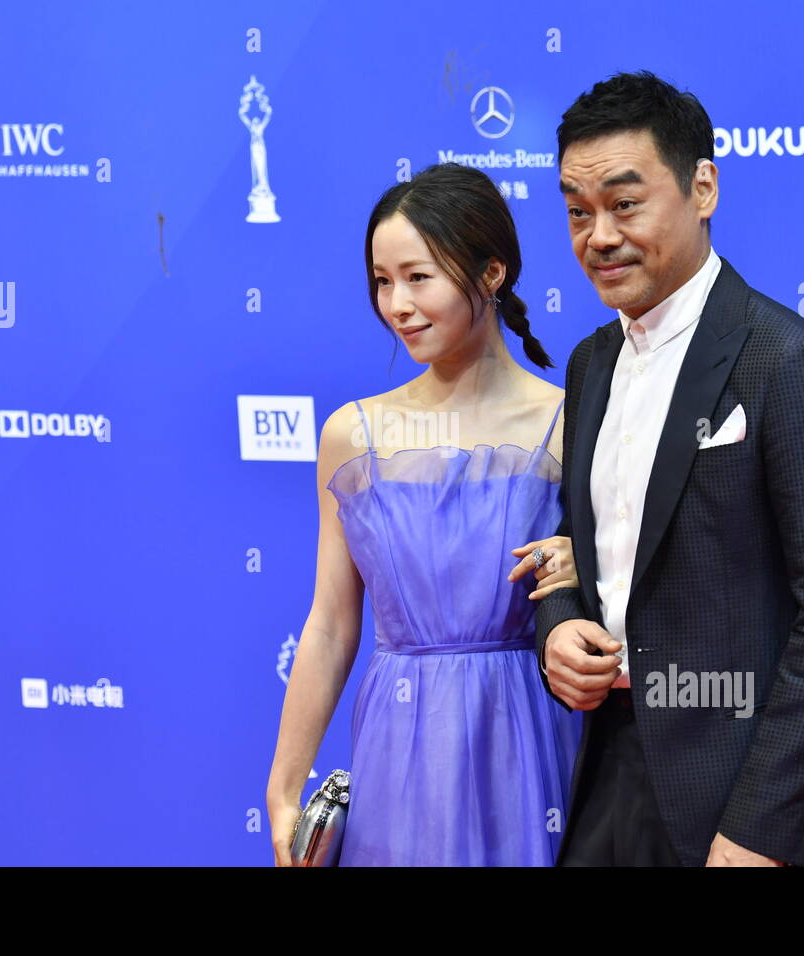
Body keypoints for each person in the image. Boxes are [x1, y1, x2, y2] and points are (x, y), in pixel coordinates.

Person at [536, 70, 804, 867]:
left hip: (753, 802)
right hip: (610, 777)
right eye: (577, 211)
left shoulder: (790, 363)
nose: (599, 235)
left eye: (626, 203)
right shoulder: (591, 364)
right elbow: (577, 544)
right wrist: (558, 624)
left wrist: (758, 830)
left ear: (703, 188)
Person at [268, 163, 583, 866]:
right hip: (398, 748)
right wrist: (285, 785)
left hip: (531, 742)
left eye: (419, 277)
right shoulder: (354, 436)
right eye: (383, 281)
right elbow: (330, 623)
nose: (397, 304)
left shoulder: (568, 424)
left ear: (492, 271)